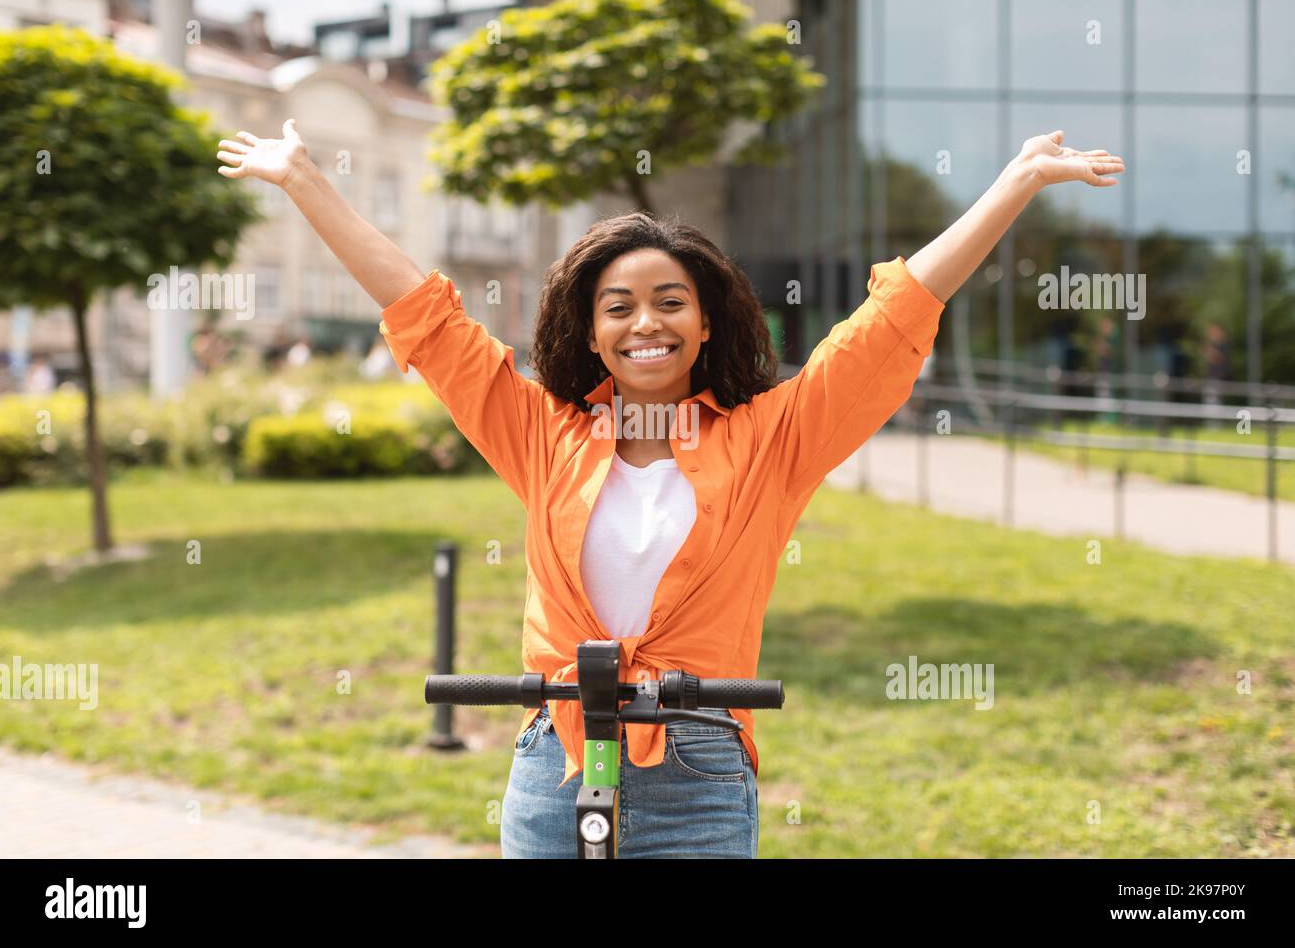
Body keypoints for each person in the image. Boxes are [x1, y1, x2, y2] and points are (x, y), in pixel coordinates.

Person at [217, 120, 1123, 858]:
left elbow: (889, 323)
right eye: (618, 306)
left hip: (698, 770)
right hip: (554, 762)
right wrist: (305, 182)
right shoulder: (542, 431)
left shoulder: (773, 435)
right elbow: (427, 317)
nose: (644, 322)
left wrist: (1013, 186)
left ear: (704, 323)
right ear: (592, 330)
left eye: (669, 301)